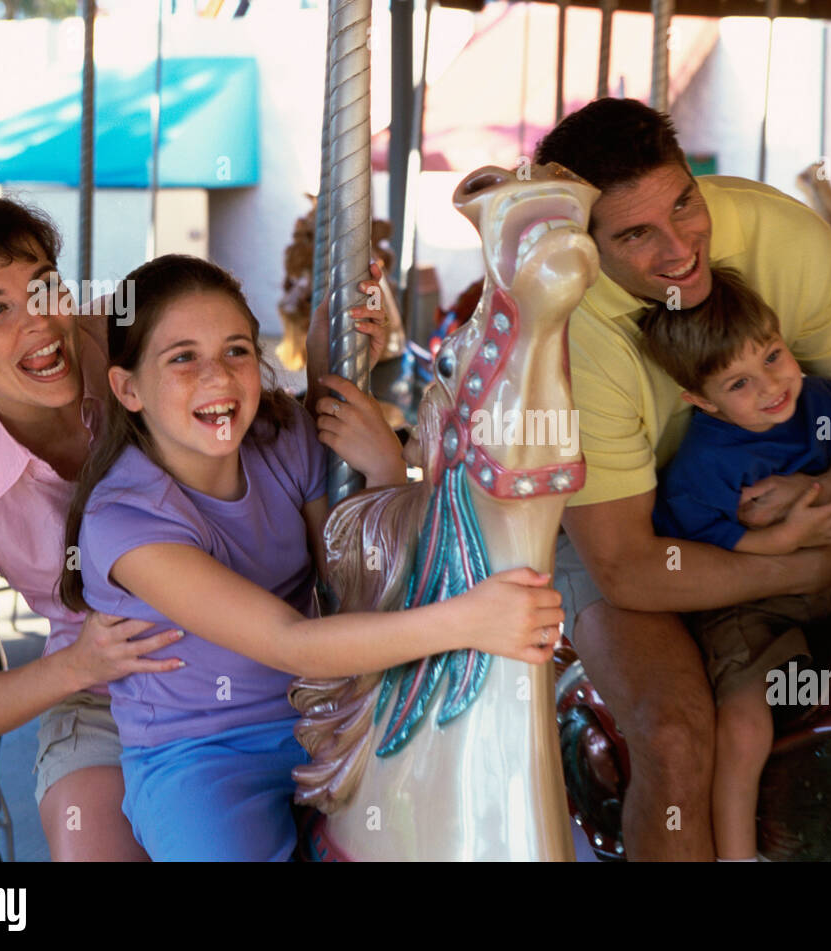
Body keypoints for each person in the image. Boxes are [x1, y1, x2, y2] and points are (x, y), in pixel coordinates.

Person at [58, 254, 563, 861]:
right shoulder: (124, 519)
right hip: (201, 754)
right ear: (128, 388)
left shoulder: (283, 439)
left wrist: (382, 470)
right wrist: (470, 620)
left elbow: (353, 581)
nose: (218, 376)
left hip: (331, 710)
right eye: (183, 357)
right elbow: (289, 642)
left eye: (237, 350)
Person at [533, 98, 831, 860]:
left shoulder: (785, 237)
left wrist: (821, 489)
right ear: (585, 244)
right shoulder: (575, 322)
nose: (680, 247)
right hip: (615, 527)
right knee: (676, 733)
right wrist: (798, 561)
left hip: (783, 502)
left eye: (684, 202)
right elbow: (628, 566)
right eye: (635, 234)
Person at [0, 192, 175, 861]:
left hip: (251, 642)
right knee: (90, 832)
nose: (41, 321)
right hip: (107, 692)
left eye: (44, 287)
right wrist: (78, 664)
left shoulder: (132, 337)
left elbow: (256, 404)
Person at [640, 267, 831, 860]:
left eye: (772, 356)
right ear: (701, 400)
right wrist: (791, 533)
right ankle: (737, 854)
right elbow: (713, 543)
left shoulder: (818, 401)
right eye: (739, 383)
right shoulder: (705, 463)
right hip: (746, 603)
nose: (770, 386)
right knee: (743, 722)